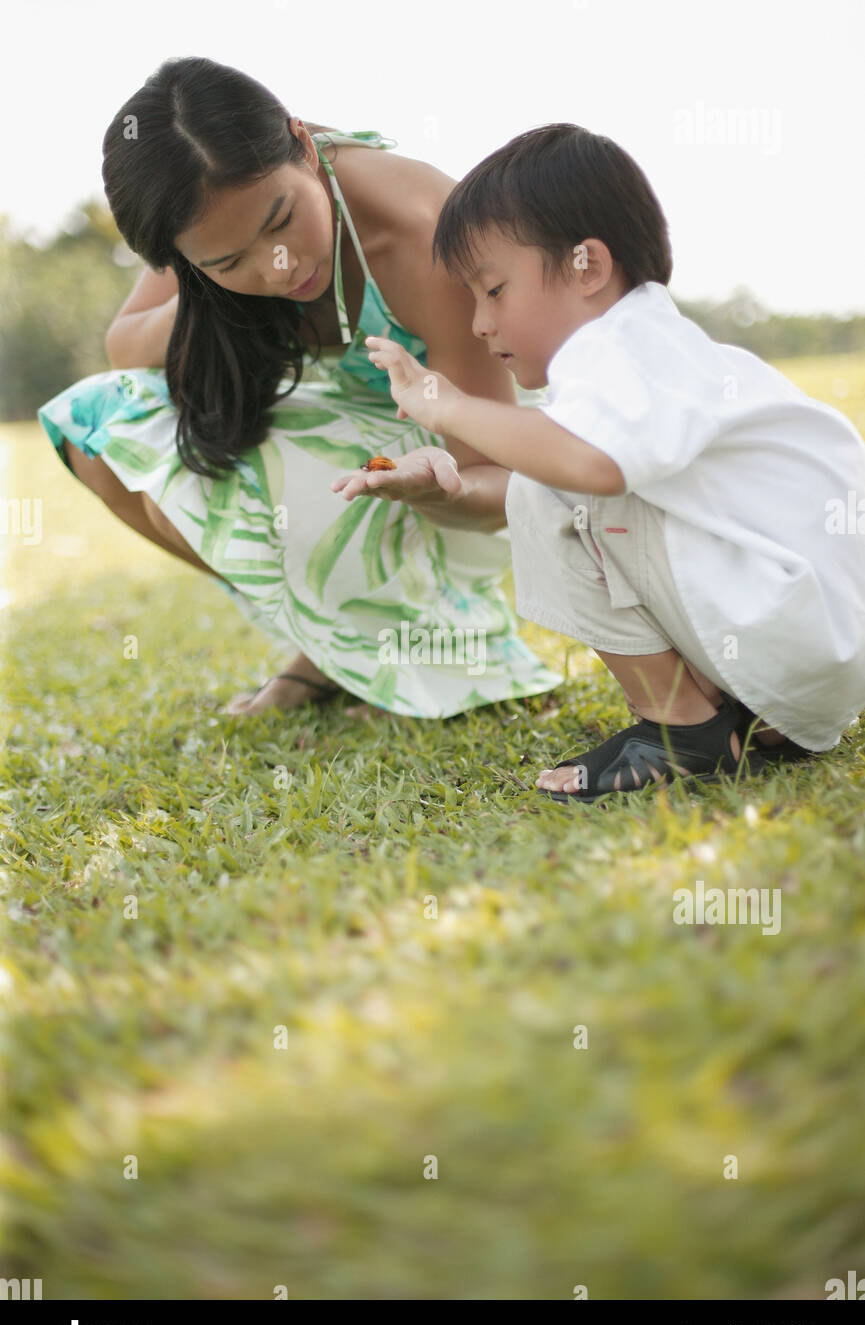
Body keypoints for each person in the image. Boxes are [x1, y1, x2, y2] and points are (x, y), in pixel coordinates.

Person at [342, 122, 865, 802]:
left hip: (783, 632)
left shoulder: (626, 346)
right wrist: (439, 480)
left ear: (586, 265)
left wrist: (444, 405)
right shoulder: (658, 349)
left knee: (542, 486)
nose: (478, 323)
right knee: (544, 475)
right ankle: (743, 721)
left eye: (493, 290)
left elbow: (586, 471)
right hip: (802, 648)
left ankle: (682, 727)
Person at [36, 57, 561, 719]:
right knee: (97, 431)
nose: (277, 268)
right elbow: (126, 347)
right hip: (354, 434)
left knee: (254, 483)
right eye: (227, 260)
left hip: (484, 452)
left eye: (280, 222)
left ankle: (400, 649)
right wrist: (213, 294)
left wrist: (436, 489)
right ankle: (337, 649)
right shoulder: (202, 215)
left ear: (305, 145)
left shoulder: (417, 235)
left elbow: (496, 481)